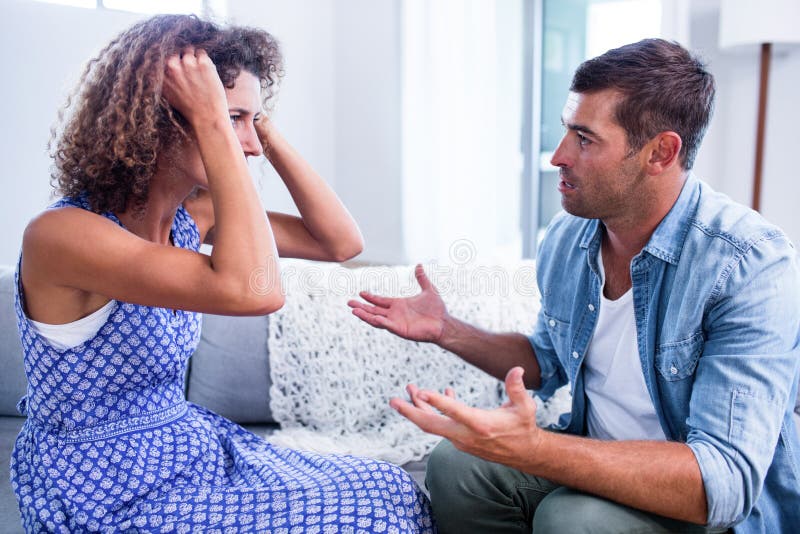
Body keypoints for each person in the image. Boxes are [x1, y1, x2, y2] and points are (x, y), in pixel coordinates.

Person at [349, 39, 800, 533]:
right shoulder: (569, 237)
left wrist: (536, 448)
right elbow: (547, 361)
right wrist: (446, 329)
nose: (558, 156)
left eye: (585, 139)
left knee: (571, 519)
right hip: (599, 455)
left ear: (660, 152)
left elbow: (725, 482)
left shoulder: (749, 266)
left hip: (702, 508)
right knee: (456, 464)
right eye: (567, 130)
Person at [11, 14, 434, 533]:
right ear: (162, 120)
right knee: (361, 522)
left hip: (184, 449)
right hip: (105, 487)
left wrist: (257, 127)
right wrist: (215, 121)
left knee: (387, 487)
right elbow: (254, 291)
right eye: (233, 118)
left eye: (252, 122)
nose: (249, 145)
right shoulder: (62, 235)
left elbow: (340, 242)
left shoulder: (193, 216)